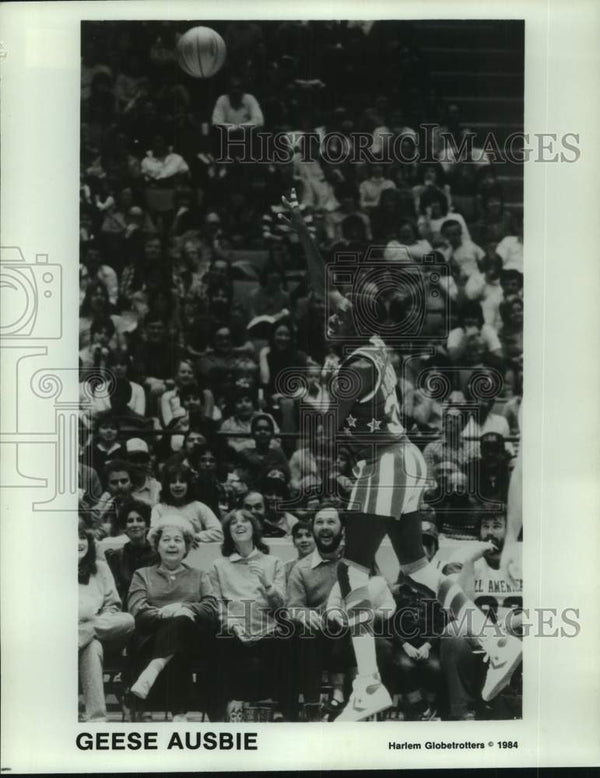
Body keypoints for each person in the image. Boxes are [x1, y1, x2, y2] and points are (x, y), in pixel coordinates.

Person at [280, 188, 521, 720]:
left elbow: (327, 427)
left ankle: (368, 683)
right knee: (418, 570)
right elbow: (324, 287)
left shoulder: (358, 365)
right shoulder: (367, 343)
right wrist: (301, 228)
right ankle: (496, 641)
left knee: (353, 569)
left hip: (389, 461)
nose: (330, 316)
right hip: (402, 458)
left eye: (340, 315)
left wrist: (303, 397)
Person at [127, 515, 219, 721]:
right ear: (157, 545)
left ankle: (154, 669)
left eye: (178, 540)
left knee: (183, 623)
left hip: (194, 640)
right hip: (151, 639)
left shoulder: (200, 575)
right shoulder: (142, 574)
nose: (172, 544)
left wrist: (183, 607)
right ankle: (180, 715)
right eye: (166, 539)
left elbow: (212, 608)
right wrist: (165, 613)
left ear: (186, 547)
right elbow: (137, 609)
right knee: (178, 634)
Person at [440, 513, 523, 720]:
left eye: (497, 526)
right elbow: (460, 608)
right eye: (485, 526)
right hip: (480, 635)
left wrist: (507, 625)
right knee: (453, 631)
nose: (490, 532)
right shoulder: (466, 557)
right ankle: (463, 714)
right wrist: (469, 561)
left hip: (519, 631)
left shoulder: (526, 558)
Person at [208, 509, 286, 721]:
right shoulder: (219, 565)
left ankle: (265, 710)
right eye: (233, 522)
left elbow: (281, 605)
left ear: (254, 528)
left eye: (244, 521)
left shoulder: (273, 562)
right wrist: (233, 624)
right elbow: (216, 603)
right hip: (234, 631)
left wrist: (267, 583)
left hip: (268, 631)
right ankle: (233, 708)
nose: (239, 525)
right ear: (228, 531)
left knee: (279, 646)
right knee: (220, 644)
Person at [286, 504, 349, 721]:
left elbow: (377, 591)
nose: (324, 527)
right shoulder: (301, 569)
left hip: (352, 632)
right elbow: (293, 606)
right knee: (306, 632)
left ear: (342, 528)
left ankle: (347, 702)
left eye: (331, 522)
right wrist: (303, 614)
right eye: (320, 522)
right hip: (318, 635)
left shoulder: (356, 562)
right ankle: (313, 708)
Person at [78, 519, 134, 721]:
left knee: (128, 620)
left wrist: (95, 624)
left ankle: (84, 634)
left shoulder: (100, 568)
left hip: (99, 631)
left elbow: (112, 605)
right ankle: (97, 719)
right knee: (91, 647)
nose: (78, 543)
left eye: (82, 537)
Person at [150, 463, 223, 545]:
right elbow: (152, 535)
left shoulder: (199, 507)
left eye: (182, 481)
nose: (178, 485)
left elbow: (219, 533)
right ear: (167, 485)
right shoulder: (158, 509)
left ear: (189, 484)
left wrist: (195, 537)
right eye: (173, 482)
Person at [105, 499, 158, 601]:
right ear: (124, 528)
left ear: (147, 526)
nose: (135, 524)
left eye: (139, 520)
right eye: (130, 521)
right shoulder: (115, 557)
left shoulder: (157, 555)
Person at [235, 413, 290, 489]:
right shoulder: (245, 454)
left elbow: (287, 477)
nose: (262, 432)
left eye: (267, 429)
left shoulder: (278, 454)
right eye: (258, 429)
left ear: (272, 434)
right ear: (252, 434)